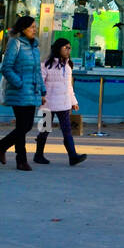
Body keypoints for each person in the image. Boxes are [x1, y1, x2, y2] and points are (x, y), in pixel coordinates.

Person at [0, 16, 44, 171]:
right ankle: (21, 160)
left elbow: (38, 71)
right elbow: (6, 67)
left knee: (27, 126)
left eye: (35, 27)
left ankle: (2, 144)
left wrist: (42, 90)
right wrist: (19, 83)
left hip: (32, 92)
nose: (34, 29)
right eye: (31, 27)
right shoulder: (15, 43)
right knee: (22, 126)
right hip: (19, 92)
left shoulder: (35, 47)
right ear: (23, 28)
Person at [34, 39, 87, 167]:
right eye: (65, 48)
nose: (68, 50)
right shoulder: (46, 65)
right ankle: (38, 155)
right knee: (44, 130)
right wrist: (40, 96)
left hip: (63, 103)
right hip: (47, 103)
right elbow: (40, 83)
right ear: (58, 49)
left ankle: (73, 156)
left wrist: (73, 101)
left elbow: (69, 86)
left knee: (67, 130)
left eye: (69, 48)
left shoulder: (68, 66)